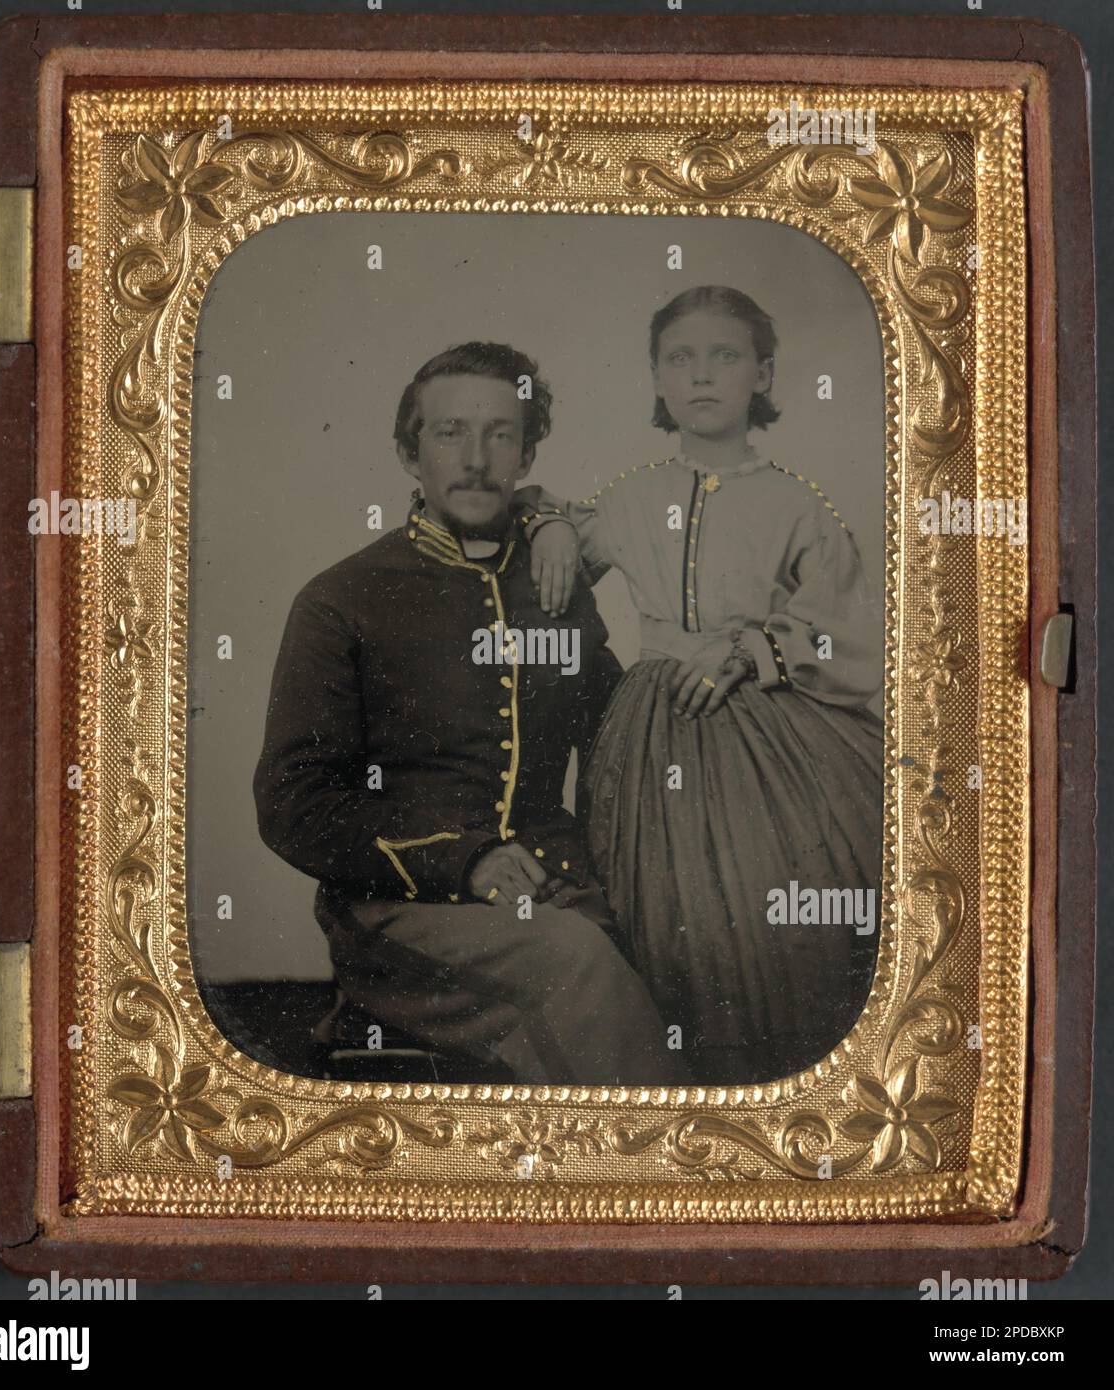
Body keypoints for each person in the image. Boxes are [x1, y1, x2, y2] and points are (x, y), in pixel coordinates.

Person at [253, 342, 689, 1086]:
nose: (477, 458)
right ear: (407, 451)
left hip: (558, 883)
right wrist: (466, 859)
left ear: (526, 456)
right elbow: (295, 806)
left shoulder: (551, 585)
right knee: (576, 962)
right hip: (402, 908)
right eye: (450, 432)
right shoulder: (340, 600)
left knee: (703, 942)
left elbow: (618, 735)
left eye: (501, 434)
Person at [521, 287, 883, 1082]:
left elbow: (848, 632)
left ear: (762, 373)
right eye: (679, 359)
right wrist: (549, 525)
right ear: (656, 379)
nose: (701, 376)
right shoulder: (631, 496)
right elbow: (554, 530)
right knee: (669, 907)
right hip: (654, 733)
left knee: (773, 896)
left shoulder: (798, 504)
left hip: (779, 732)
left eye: (725, 355)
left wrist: (752, 648)